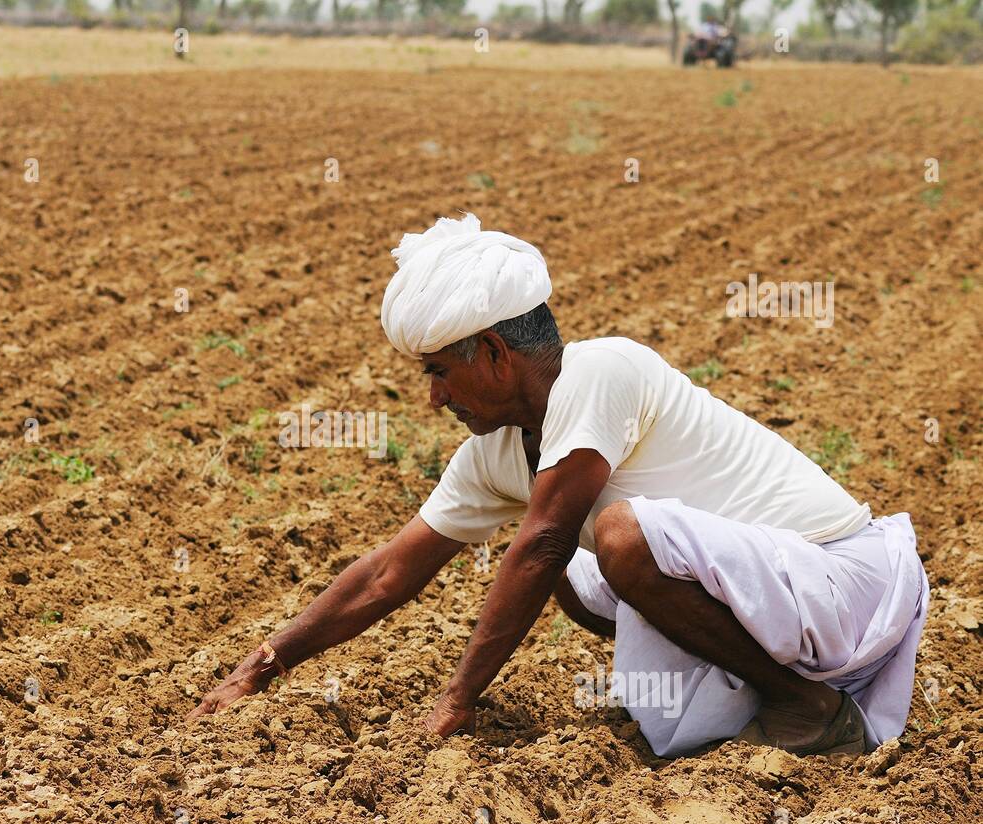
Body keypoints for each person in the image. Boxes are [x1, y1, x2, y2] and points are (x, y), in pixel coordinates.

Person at [189, 213, 928, 758]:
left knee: (603, 538)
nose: (435, 399)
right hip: (771, 601)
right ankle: (742, 685)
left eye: (440, 372)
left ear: (496, 354)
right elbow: (389, 572)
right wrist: (265, 663)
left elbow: (541, 540)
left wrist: (456, 698)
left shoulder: (603, 369)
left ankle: (810, 706)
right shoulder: (498, 453)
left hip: (842, 584)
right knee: (575, 570)